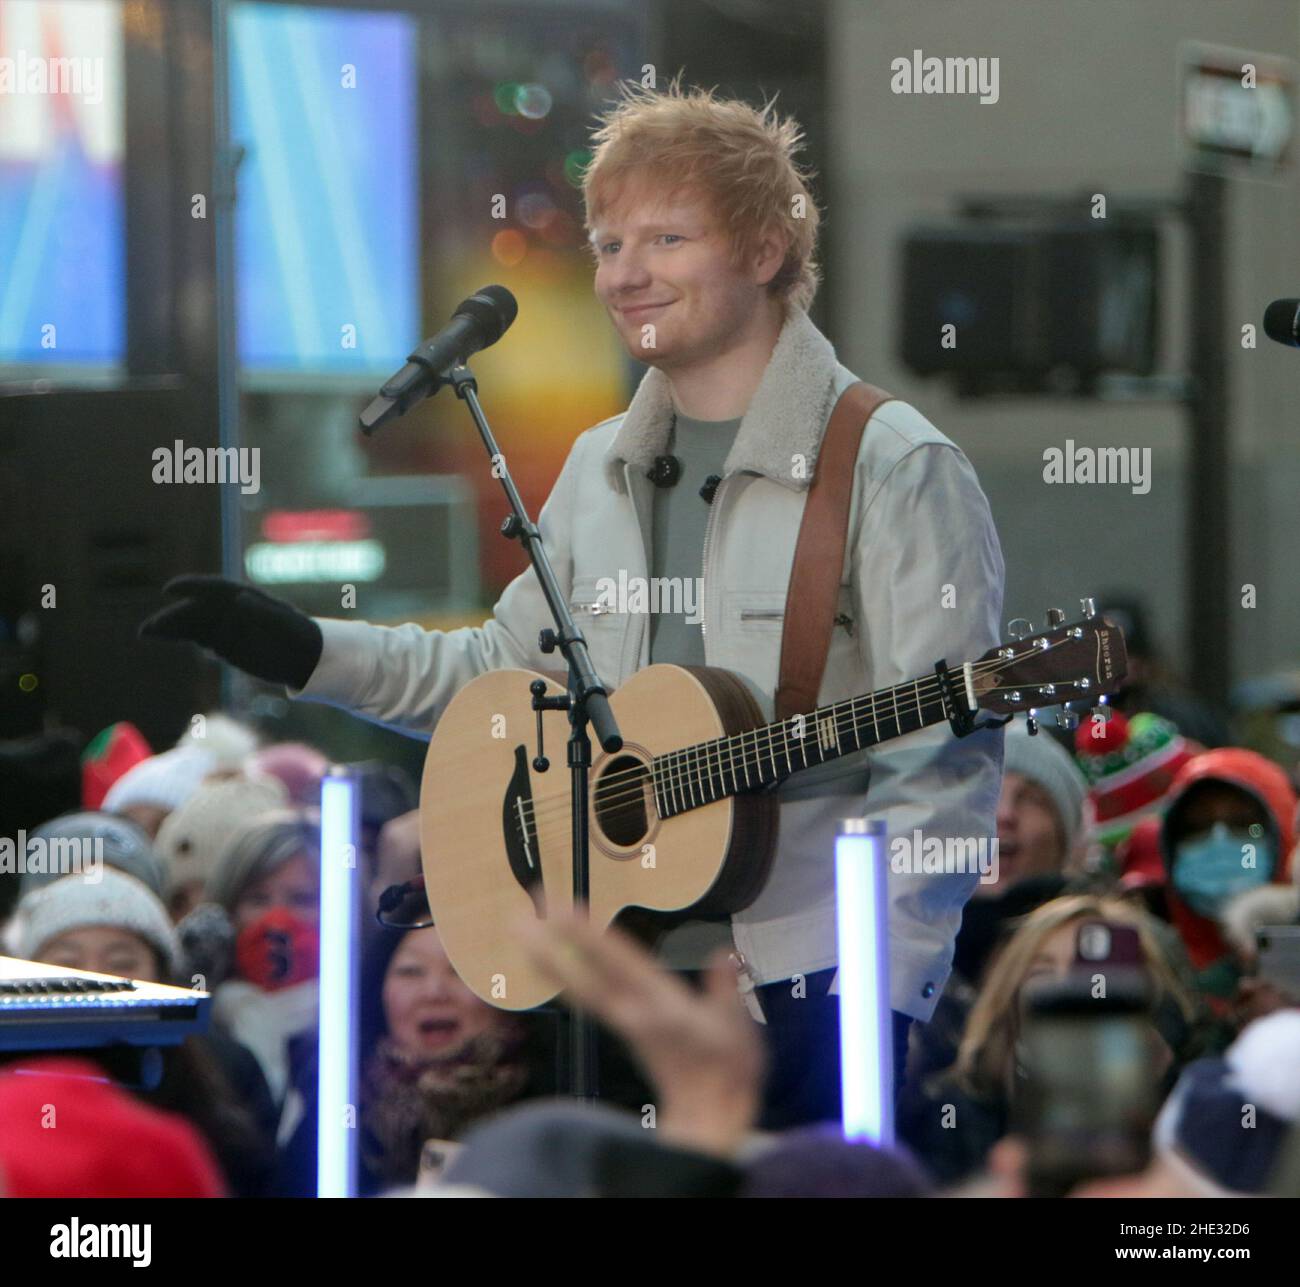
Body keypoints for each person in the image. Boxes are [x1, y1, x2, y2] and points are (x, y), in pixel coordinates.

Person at [139, 77, 1006, 1126]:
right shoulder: (601, 465)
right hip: (607, 977)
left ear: (768, 251)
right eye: (607, 245)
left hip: (812, 978)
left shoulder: (890, 461)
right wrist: (297, 646)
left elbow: (944, 758)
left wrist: (879, 986)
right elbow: (501, 685)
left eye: (666, 241)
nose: (626, 275)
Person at [896, 894, 1200, 1186]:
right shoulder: (947, 1114)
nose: (1068, 987)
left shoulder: (1191, 1106)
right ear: (1009, 994)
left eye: (1095, 973)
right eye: (1044, 971)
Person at [6, 869, 276, 1195]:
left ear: (160, 976)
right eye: (67, 964)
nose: (96, 982)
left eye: (121, 963)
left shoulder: (228, 1069)